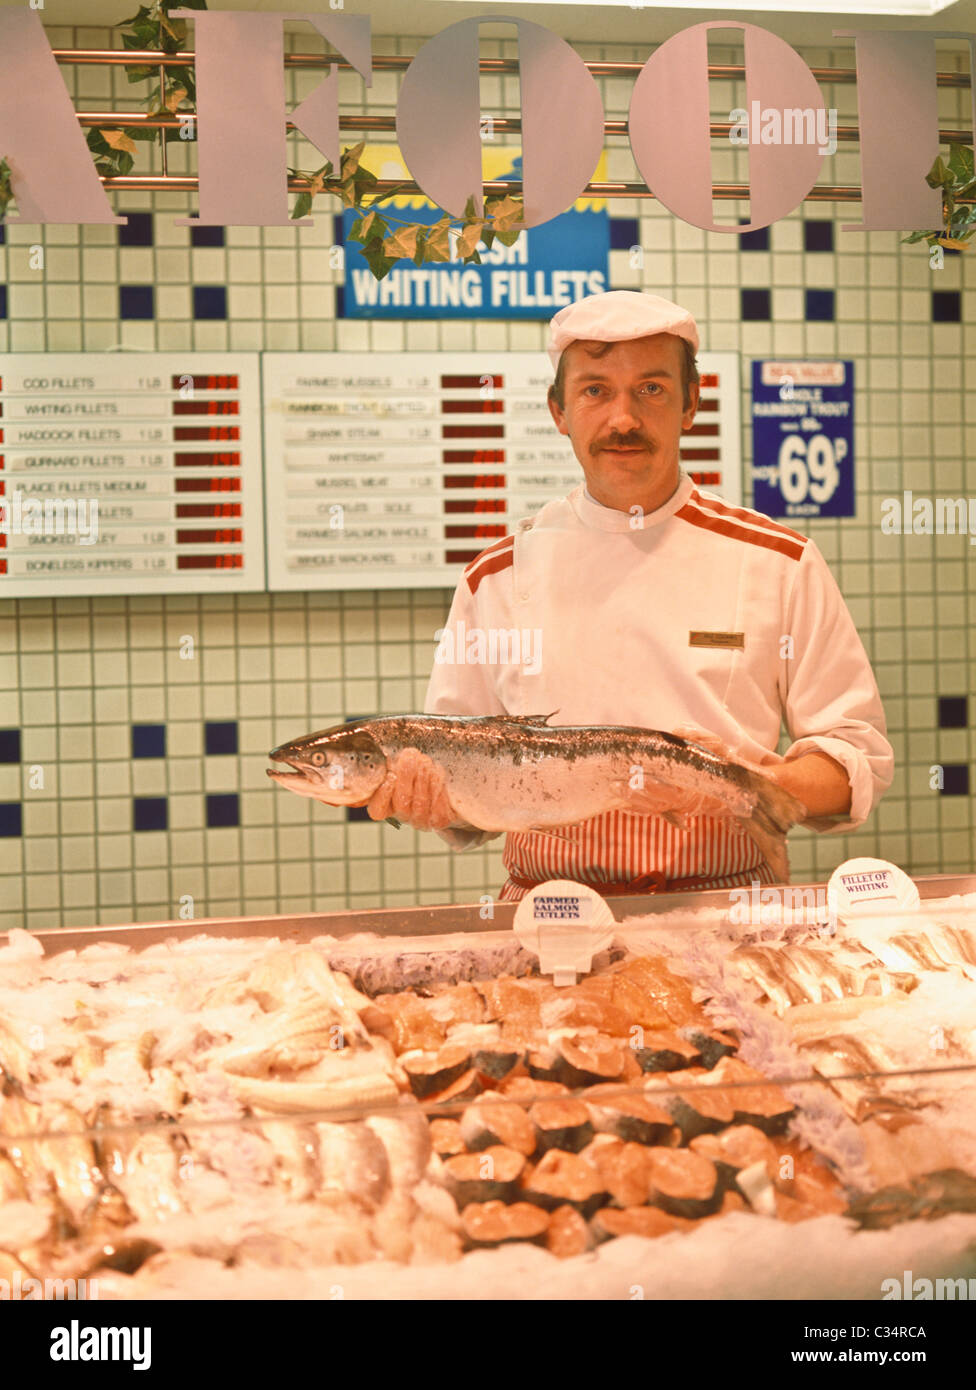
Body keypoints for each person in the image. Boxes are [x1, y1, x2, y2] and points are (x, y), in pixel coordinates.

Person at [367, 290, 894, 900]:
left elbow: (855, 754)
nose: (623, 419)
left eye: (651, 389)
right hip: (550, 914)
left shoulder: (776, 561)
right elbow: (462, 776)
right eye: (595, 390)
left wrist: (753, 785)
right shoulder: (496, 578)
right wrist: (430, 800)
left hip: (728, 909)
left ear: (691, 403)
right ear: (559, 411)